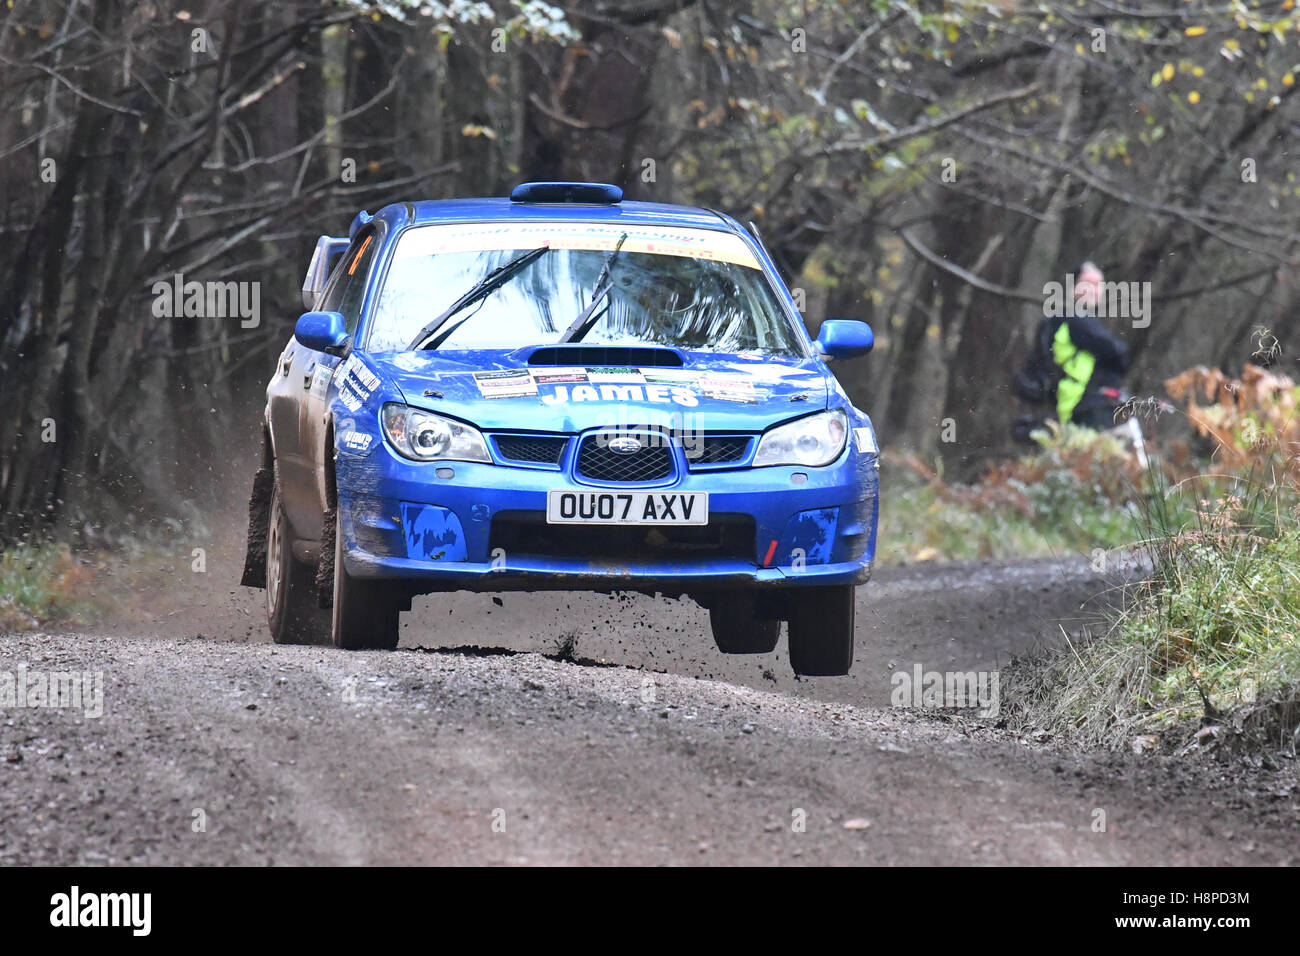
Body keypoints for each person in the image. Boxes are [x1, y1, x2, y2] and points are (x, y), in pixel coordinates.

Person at [1012, 261, 1130, 433]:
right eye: (1088, 284)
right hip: (1083, 406)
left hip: (1080, 404)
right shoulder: (1071, 318)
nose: (1094, 290)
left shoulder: (1068, 318)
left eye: (1099, 285)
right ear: (1074, 286)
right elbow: (1113, 350)